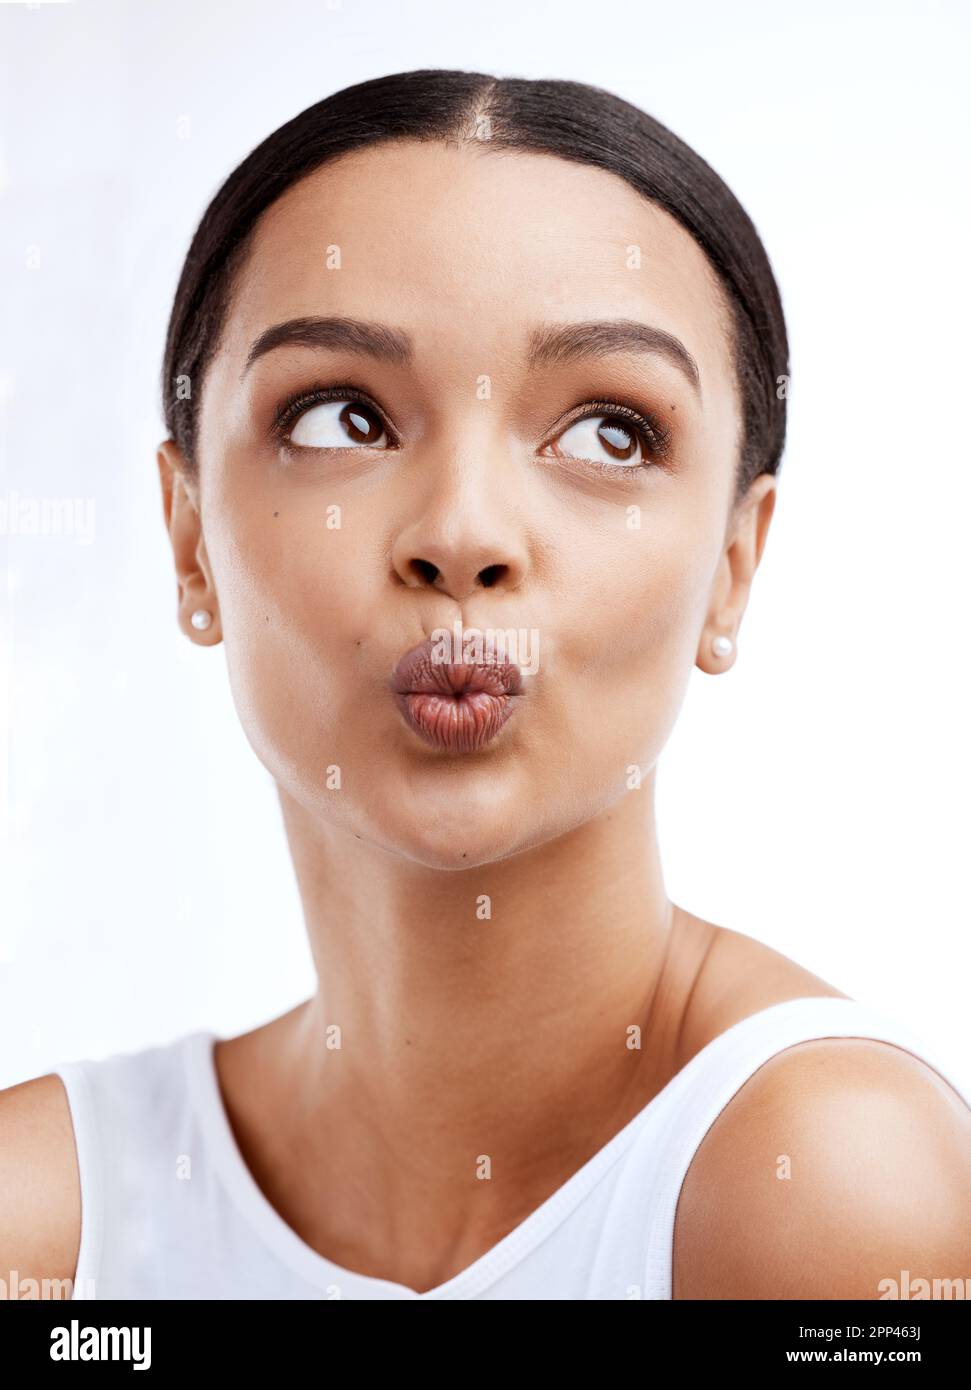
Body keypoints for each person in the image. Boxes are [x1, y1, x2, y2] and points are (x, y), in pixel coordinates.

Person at [3, 69, 970, 1301]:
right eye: (340, 417)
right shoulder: (48, 1232)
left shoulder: (832, 1186)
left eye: (609, 432)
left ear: (734, 566)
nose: (461, 533)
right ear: (188, 538)